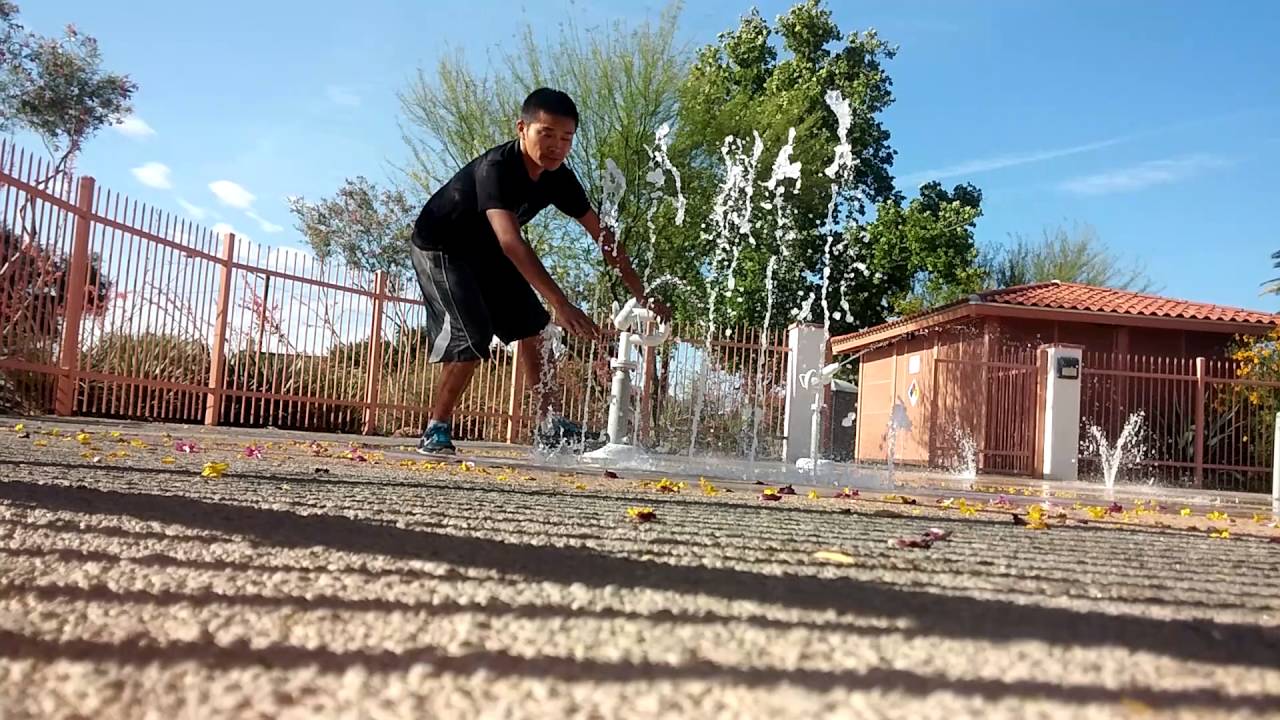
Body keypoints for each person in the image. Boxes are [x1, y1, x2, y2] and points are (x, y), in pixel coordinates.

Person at [410, 87, 668, 455]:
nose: (556, 147)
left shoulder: (560, 178)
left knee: (536, 329)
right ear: (522, 128)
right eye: (546, 134)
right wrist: (561, 303)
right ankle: (436, 428)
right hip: (443, 247)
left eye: (566, 139)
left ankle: (549, 425)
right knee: (472, 337)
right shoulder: (496, 169)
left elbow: (604, 239)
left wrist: (644, 295)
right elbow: (511, 242)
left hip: (488, 251)